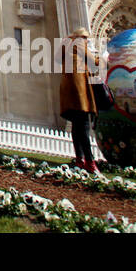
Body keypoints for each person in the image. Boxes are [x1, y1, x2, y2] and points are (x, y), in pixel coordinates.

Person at [59, 28, 99, 173]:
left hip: (68, 91)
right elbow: (93, 62)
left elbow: (58, 59)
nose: (87, 41)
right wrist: (104, 59)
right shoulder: (80, 43)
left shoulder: (65, 44)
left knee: (76, 127)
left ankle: (79, 159)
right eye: (86, 38)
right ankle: (90, 161)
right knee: (84, 126)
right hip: (79, 89)